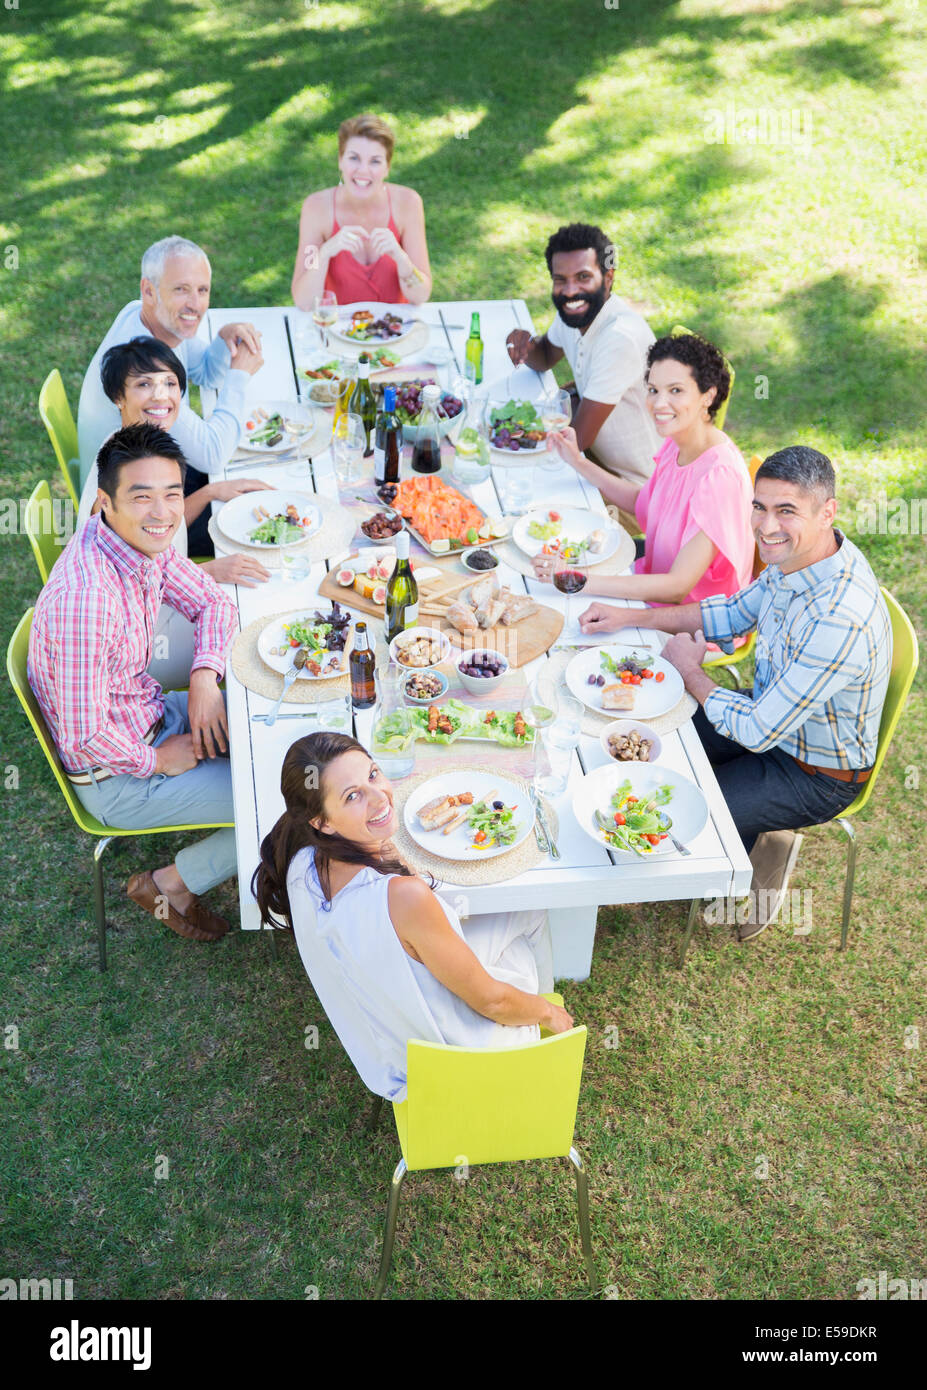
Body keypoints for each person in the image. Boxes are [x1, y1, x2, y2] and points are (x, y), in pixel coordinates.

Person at [578, 446, 891, 939]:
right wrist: (629, 616)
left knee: (684, 814)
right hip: (770, 716)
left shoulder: (839, 618)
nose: (766, 526)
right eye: (759, 507)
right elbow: (723, 615)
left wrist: (692, 674)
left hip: (816, 774)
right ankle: (753, 824)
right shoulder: (797, 559)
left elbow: (759, 730)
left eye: (786, 510)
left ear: (827, 511)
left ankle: (764, 839)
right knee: (657, 739)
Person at [252, 733, 572, 1101]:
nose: (379, 798)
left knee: (518, 914)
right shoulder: (403, 898)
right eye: (352, 796)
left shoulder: (300, 859)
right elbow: (492, 1002)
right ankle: (544, 1036)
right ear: (322, 821)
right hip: (460, 1054)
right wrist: (547, 1012)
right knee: (530, 916)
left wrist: (383, 848)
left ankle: (538, 1017)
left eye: (373, 775)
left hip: (388, 1051)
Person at [28, 424, 240, 943]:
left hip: (151, 713)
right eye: (142, 497)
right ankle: (172, 884)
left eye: (172, 494)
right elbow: (84, 736)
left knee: (288, 737)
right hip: (117, 773)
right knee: (283, 798)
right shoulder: (88, 601)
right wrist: (159, 761)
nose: (163, 512)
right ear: (105, 501)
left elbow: (213, 601)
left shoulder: (144, 538)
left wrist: (205, 679)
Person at [75, 338, 273, 690]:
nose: (160, 396)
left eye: (170, 383)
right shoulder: (119, 485)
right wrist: (208, 571)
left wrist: (210, 492)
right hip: (147, 648)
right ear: (118, 398)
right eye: (143, 384)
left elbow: (163, 527)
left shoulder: (131, 450)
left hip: (165, 611)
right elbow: (129, 593)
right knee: (258, 633)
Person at [532, 334, 754, 608]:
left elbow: (677, 587)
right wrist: (578, 461)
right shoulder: (679, 441)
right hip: (649, 581)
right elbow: (643, 503)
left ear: (707, 395)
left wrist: (577, 580)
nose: (659, 403)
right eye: (653, 390)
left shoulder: (719, 478)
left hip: (690, 618)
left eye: (675, 390)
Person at [77, 234, 265, 554]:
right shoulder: (147, 382)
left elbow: (203, 371)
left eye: (202, 290)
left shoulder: (147, 316)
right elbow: (212, 454)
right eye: (181, 289)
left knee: (255, 486)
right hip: (130, 501)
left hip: (151, 478)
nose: (195, 304)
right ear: (148, 290)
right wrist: (239, 377)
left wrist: (223, 341)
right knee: (257, 518)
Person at [505, 222, 658, 490]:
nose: (570, 291)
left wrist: (508, 434)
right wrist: (524, 345)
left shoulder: (619, 338)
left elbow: (576, 439)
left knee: (518, 487)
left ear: (608, 278)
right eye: (560, 280)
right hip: (596, 461)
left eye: (583, 277)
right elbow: (545, 356)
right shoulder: (577, 313)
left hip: (636, 491)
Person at [291, 114, 432, 311]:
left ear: (387, 167)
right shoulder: (316, 207)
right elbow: (304, 301)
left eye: (375, 161)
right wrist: (323, 254)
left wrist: (401, 258)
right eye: (354, 158)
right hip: (337, 332)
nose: (363, 171)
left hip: (393, 332)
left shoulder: (408, 203)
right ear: (340, 161)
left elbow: (420, 295)